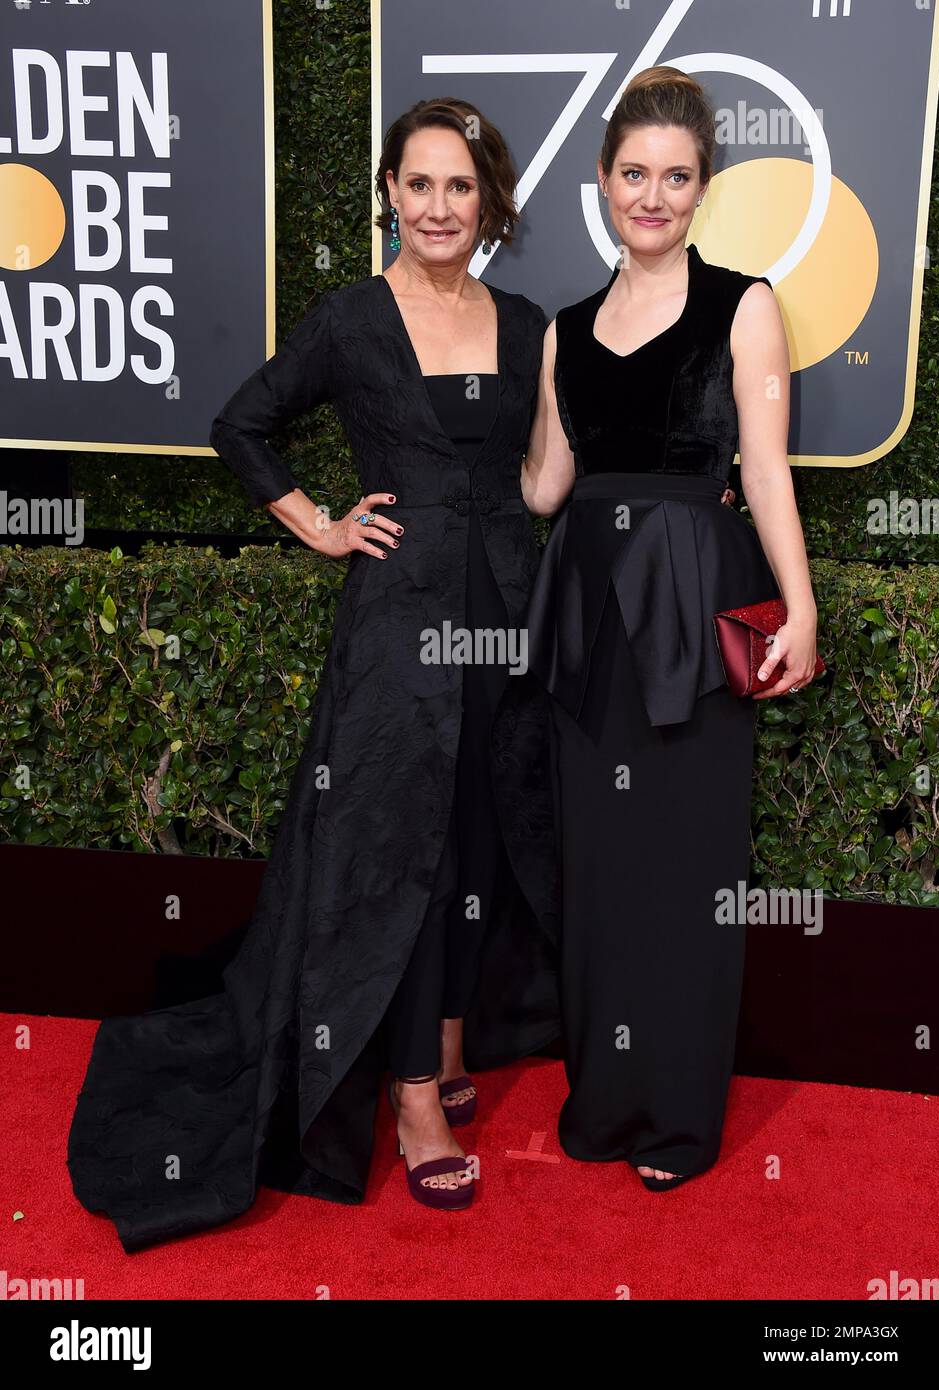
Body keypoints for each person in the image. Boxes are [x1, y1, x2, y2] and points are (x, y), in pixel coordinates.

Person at [66, 97, 564, 1247]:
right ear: (389, 192)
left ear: (488, 201)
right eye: (419, 184)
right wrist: (318, 524)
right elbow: (240, 423)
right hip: (396, 620)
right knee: (404, 843)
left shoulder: (527, 320)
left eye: (461, 186)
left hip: (504, 609)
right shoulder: (351, 319)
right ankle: (403, 1101)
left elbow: (550, 468)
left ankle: (444, 1040)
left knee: (486, 827)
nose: (440, 206)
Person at [521, 67, 820, 1191]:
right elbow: (548, 486)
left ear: (704, 189)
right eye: (633, 173)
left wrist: (800, 602)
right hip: (591, 609)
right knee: (599, 866)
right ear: (602, 181)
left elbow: (765, 465)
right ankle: (603, 1099)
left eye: (676, 177)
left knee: (687, 865)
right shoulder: (562, 332)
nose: (652, 194)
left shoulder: (745, 304)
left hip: (694, 602)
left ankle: (680, 1119)